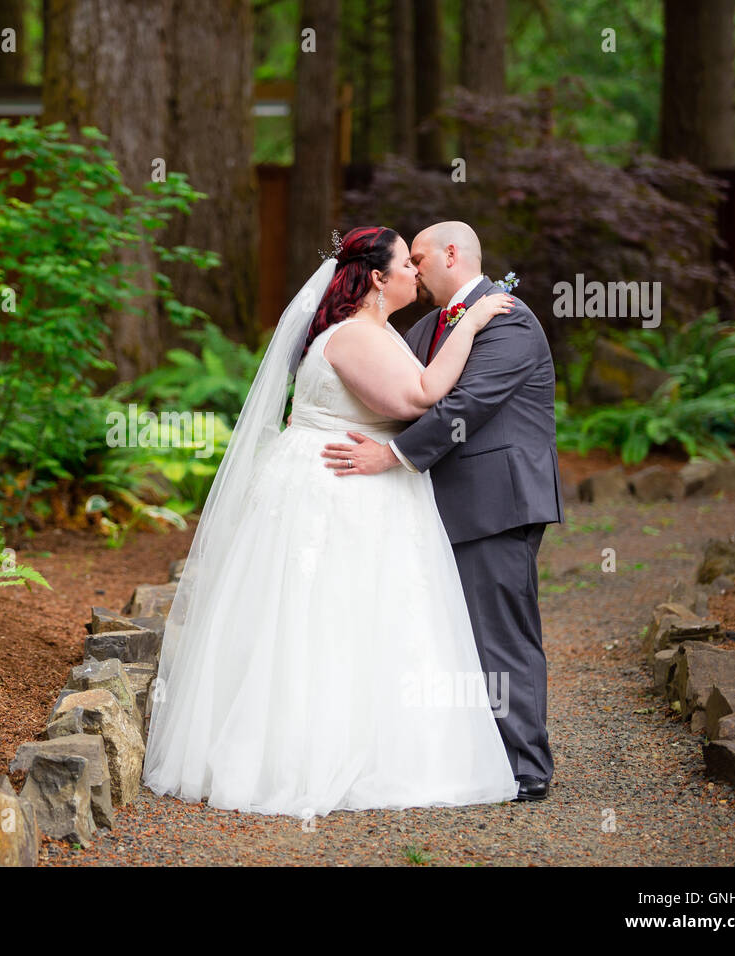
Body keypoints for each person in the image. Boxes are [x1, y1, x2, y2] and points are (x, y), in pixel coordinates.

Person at [141, 226, 519, 818]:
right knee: (324, 618)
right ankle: (305, 759)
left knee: (357, 618)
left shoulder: (376, 332)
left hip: (358, 480)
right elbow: (419, 397)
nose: (415, 275)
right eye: (406, 265)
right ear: (377, 278)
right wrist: (470, 323)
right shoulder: (353, 337)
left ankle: (372, 746)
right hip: (338, 487)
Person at [319, 220, 564, 801]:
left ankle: (525, 768)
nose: (414, 267)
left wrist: (394, 455)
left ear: (452, 253)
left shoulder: (508, 319)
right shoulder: (430, 325)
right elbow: (404, 390)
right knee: (447, 637)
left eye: (421, 256)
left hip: (496, 503)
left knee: (499, 637)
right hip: (437, 507)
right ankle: (471, 758)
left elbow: (466, 403)